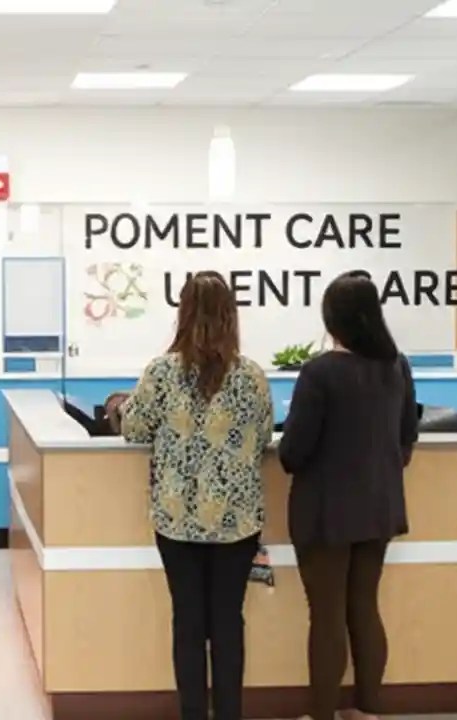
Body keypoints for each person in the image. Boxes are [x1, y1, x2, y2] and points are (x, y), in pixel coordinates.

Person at [112, 271, 274, 720]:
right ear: (230, 315)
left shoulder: (162, 372)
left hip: (176, 518)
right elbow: (263, 435)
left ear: (183, 312)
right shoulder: (251, 375)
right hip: (237, 523)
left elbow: (134, 427)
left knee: (188, 622)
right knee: (227, 623)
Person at [277, 271, 420, 720]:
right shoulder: (397, 366)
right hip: (378, 508)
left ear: (331, 319)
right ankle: (367, 710)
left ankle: (321, 715)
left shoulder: (319, 372)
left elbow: (293, 453)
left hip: (325, 515)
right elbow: (406, 442)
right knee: (363, 608)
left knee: (326, 615)